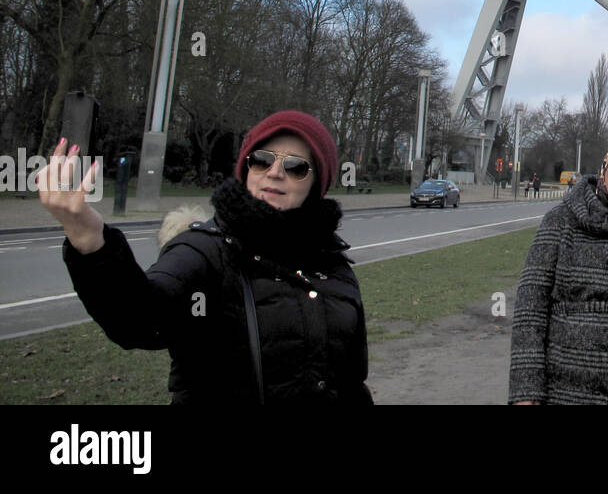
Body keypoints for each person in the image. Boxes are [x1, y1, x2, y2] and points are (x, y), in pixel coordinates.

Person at [36, 111, 372, 404]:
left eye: (296, 166)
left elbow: (352, 382)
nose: (274, 172)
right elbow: (140, 321)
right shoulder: (204, 250)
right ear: (247, 167)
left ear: (317, 183)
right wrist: (90, 239)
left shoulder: (334, 265)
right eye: (262, 159)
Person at [509, 131, 608, 404]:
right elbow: (530, 308)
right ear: (606, 162)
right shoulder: (561, 220)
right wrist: (526, 389)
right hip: (561, 389)